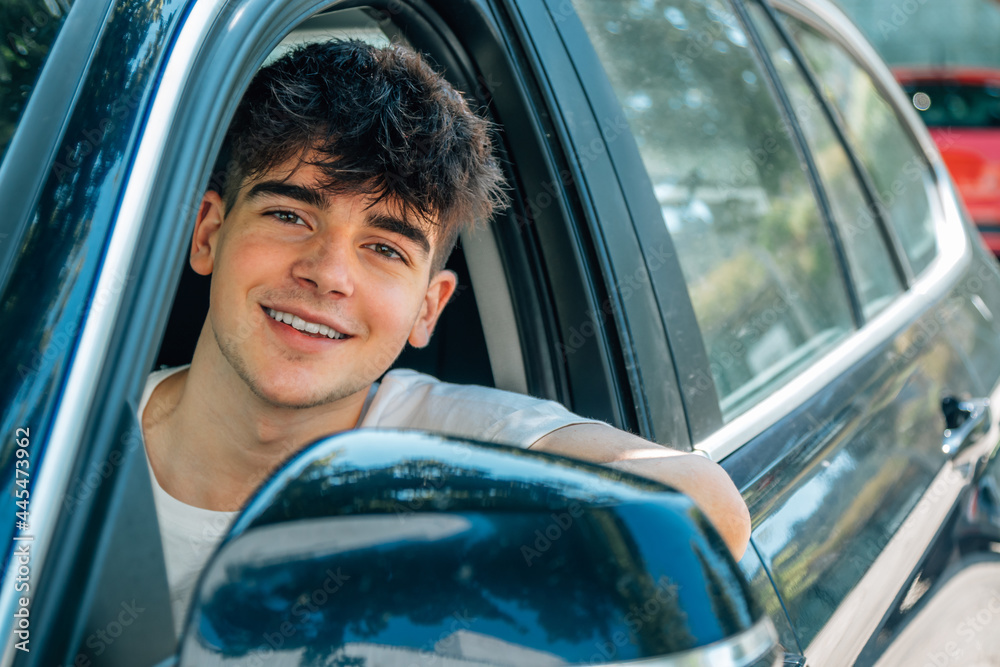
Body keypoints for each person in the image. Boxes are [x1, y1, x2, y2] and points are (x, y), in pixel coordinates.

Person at [139, 38, 751, 635]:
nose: (327, 274)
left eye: (383, 248)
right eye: (290, 215)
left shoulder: (458, 443)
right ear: (208, 234)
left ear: (428, 309)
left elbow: (704, 506)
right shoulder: (55, 435)